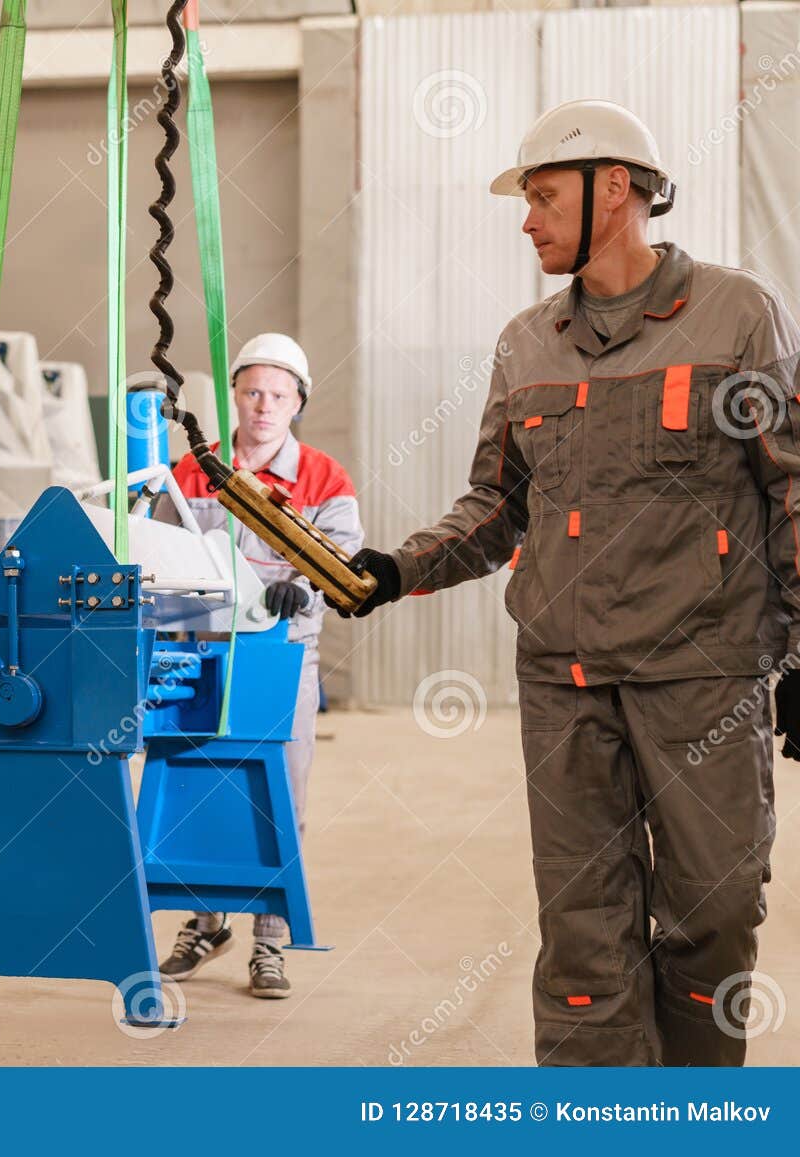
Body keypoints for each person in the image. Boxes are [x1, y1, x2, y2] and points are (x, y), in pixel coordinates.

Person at [343, 100, 800, 1066]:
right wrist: (393, 568)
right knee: (585, 930)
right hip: (565, 680)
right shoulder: (527, 342)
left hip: (703, 676)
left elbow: (792, 485)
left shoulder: (737, 314)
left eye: (543, 197)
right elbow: (496, 506)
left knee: (712, 914)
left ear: (617, 191)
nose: (527, 219)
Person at [156, 332, 364, 998]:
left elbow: (342, 567)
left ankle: (269, 941)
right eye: (251, 392)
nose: (263, 406)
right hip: (202, 652)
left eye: (278, 394)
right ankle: (205, 920)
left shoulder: (324, 479)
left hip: (283, 656)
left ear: (298, 402)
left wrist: (301, 588)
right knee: (195, 788)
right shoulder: (195, 468)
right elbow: (162, 550)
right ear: (234, 397)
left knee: (279, 796)